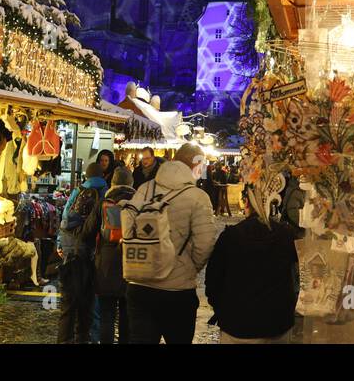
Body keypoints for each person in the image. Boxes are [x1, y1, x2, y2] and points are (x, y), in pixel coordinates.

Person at [123, 143, 218, 344]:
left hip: (139, 285)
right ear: (196, 163)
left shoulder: (145, 188)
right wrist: (187, 269)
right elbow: (205, 244)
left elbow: (128, 227)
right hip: (177, 292)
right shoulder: (198, 197)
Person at [205, 183, 299, 343]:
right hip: (277, 324)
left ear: (247, 202)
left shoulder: (230, 237)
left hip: (237, 325)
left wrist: (222, 311)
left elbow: (213, 281)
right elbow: (297, 278)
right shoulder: (287, 236)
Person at [56, 162, 106, 343]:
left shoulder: (78, 192)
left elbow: (64, 219)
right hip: (90, 256)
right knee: (90, 307)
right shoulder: (104, 193)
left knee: (68, 306)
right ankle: (87, 339)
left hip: (70, 254)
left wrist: (60, 243)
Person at [94, 166, 135, 343]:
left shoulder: (104, 202)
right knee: (127, 316)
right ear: (131, 183)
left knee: (106, 316)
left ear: (112, 183)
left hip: (106, 266)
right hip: (132, 264)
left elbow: (88, 231)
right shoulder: (138, 203)